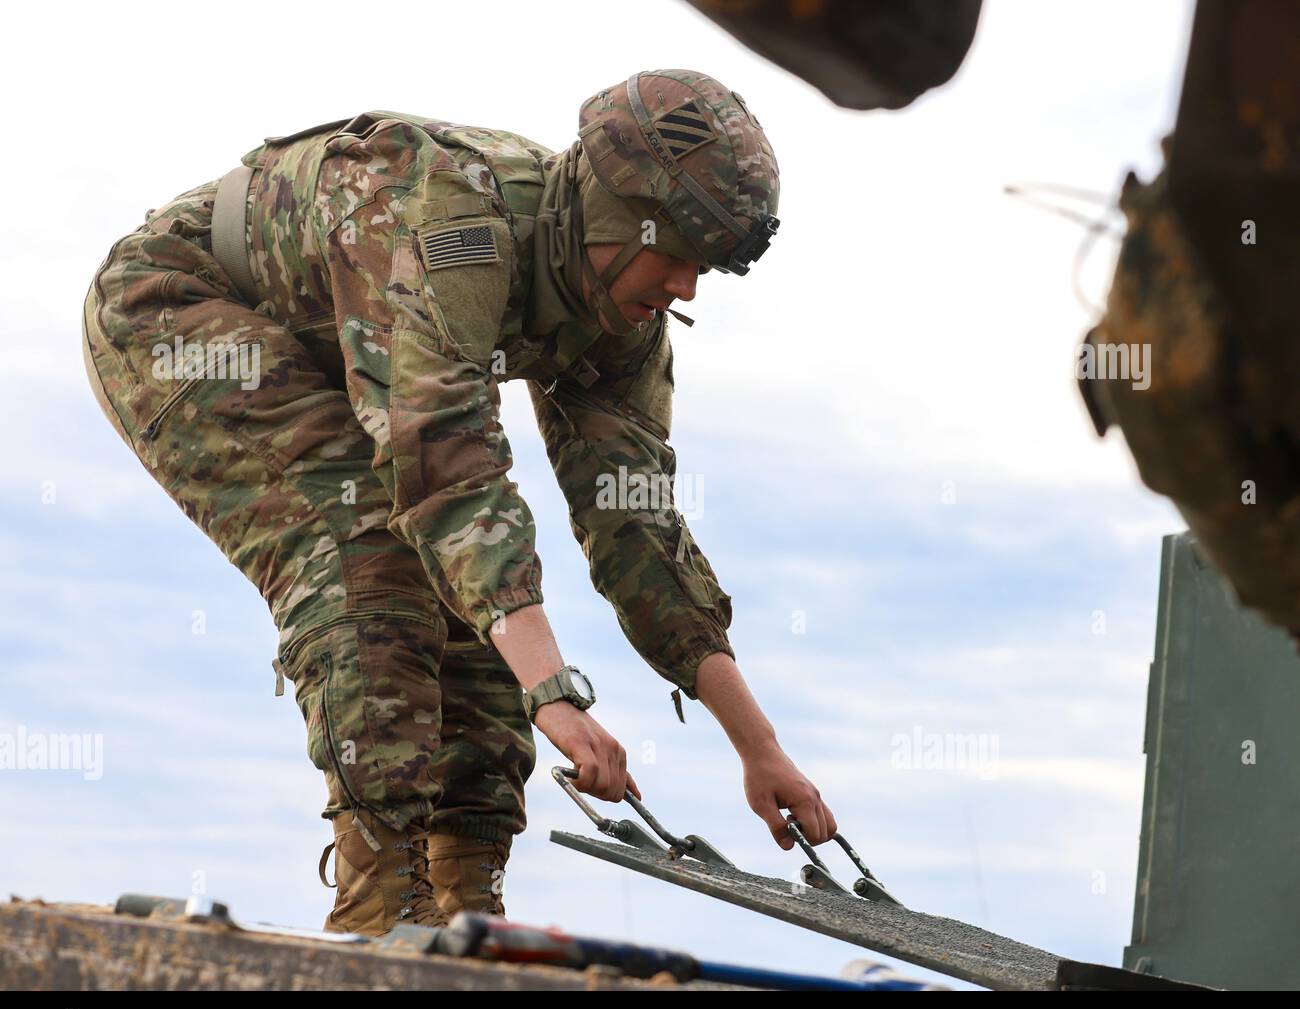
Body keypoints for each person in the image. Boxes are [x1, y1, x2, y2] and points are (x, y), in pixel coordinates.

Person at [80, 69, 836, 936]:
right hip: (176, 313)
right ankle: (380, 910)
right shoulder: (448, 217)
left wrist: (758, 746)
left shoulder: (621, 313)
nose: (689, 287)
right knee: (368, 561)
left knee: (479, 612)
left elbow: (640, 532)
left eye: (708, 266)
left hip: (347, 360)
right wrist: (552, 688)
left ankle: (462, 903)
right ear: (622, 217)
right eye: (682, 254)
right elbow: (446, 464)